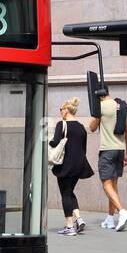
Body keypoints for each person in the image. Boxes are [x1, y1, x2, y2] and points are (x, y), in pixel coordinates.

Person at [88, 85, 127, 230]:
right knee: (113, 186)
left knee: (106, 184)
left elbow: (92, 127)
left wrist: (96, 114)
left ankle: (122, 212)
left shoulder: (101, 107)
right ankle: (110, 218)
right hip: (120, 150)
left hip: (107, 150)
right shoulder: (122, 106)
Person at [50, 97, 93, 235]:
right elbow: (83, 148)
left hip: (66, 165)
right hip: (79, 164)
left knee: (65, 194)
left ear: (67, 110)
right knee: (69, 191)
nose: (60, 112)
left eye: (61, 109)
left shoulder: (61, 125)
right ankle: (79, 219)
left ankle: (69, 226)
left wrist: (49, 142)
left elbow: (55, 142)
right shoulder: (81, 127)